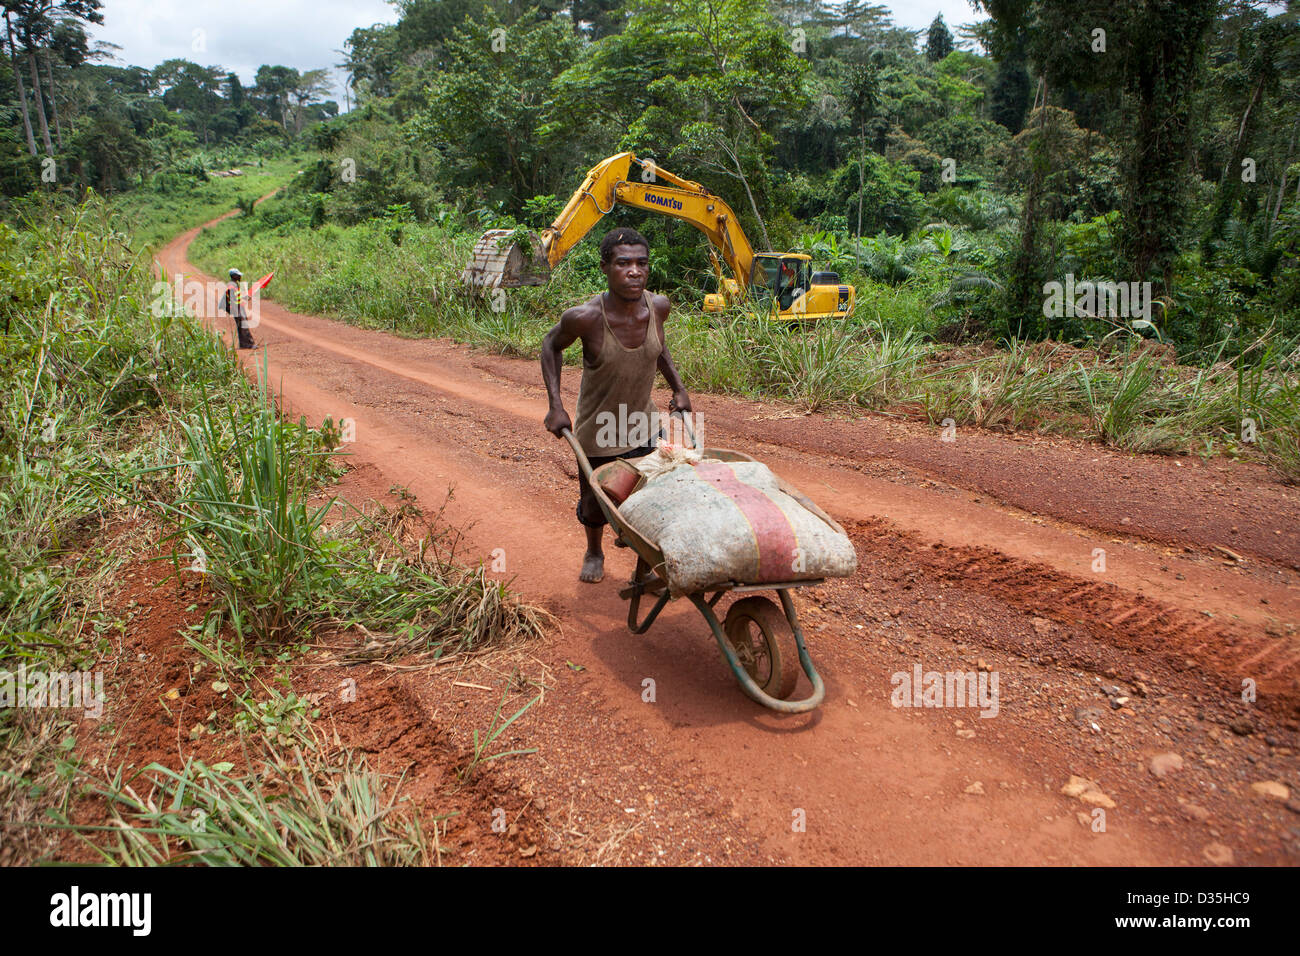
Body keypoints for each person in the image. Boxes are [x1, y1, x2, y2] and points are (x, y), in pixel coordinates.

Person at [541, 227, 692, 583]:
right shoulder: (586, 318)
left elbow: (659, 349)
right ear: (605, 267)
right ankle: (594, 550)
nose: (635, 271)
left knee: (648, 499)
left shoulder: (658, 308)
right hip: (599, 430)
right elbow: (550, 346)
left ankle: (643, 568)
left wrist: (679, 388)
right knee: (597, 501)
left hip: (643, 422)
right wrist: (555, 405)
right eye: (623, 263)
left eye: (642, 263)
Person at [219, 268, 255, 349]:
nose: (240, 276)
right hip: (236, 309)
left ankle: (243, 344)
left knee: (241, 326)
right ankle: (249, 344)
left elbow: (237, 297)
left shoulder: (234, 284)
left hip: (237, 308)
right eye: (238, 275)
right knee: (243, 325)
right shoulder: (232, 285)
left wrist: (245, 297)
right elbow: (232, 300)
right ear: (234, 276)